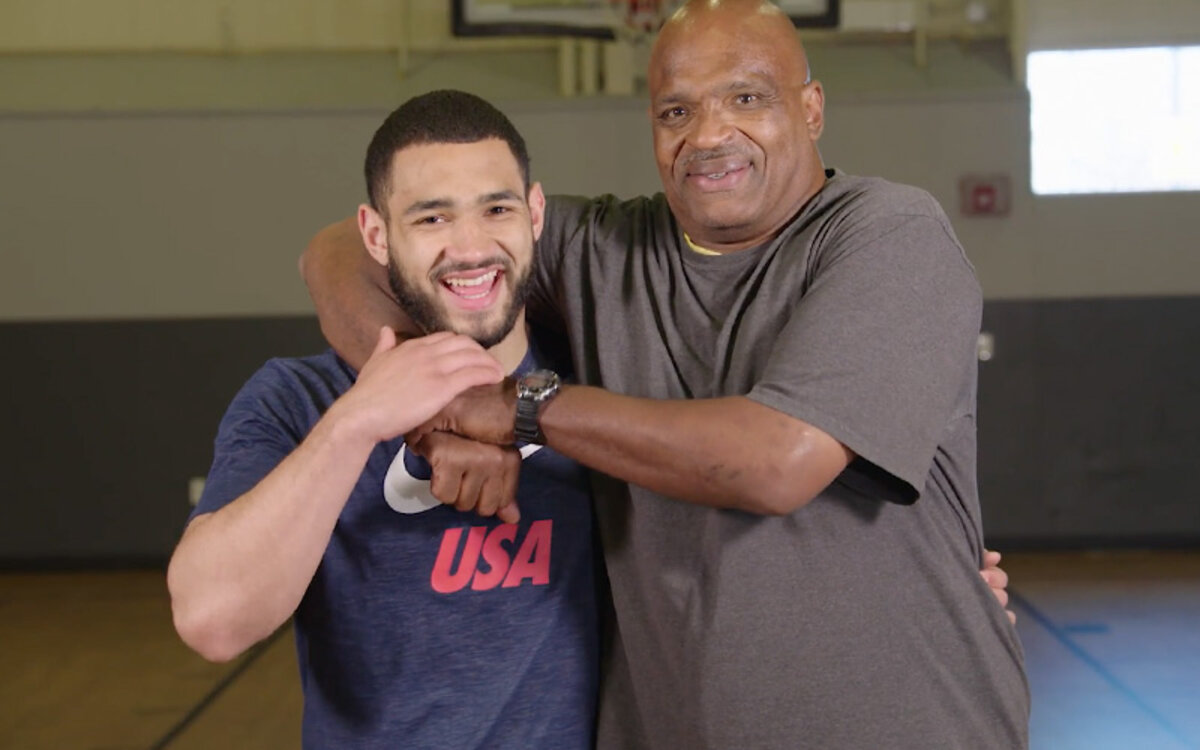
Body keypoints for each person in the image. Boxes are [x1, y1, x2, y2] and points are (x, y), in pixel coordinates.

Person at [302, 2, 1030, 747]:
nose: (709, 135)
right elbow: (339, 253)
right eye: (676, 110)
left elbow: (776, 463)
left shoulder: (889, 234)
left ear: (811, 109)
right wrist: (438, 414)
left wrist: (521, 408)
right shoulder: (604, 250)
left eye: (747, 98)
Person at [167, 90, 601, 749]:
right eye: (432, 219)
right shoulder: (299, 399)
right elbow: (213, 621)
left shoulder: (594, 381)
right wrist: (359, 420)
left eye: (497, 209)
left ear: (535, 213)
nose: (471, 246)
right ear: (375, 234)